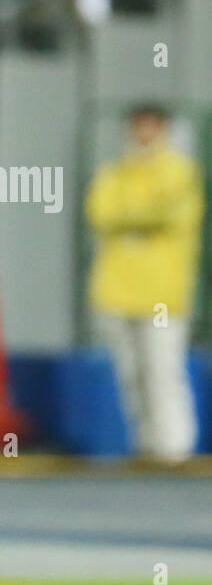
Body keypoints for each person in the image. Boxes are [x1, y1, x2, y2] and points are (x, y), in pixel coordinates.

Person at [86, 103, 205, 462]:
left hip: (162, 293)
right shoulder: (114, 173)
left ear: (164, 129)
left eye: (150, 125)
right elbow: (100, 214)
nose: (143, 133)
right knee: (131, 374)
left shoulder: (180, 172)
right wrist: (140, 220)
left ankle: (175, 448)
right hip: (117, 291)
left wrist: (129, 220)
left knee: (163, 370)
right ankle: (148, 446)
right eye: (137, 125)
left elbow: (167, 214)